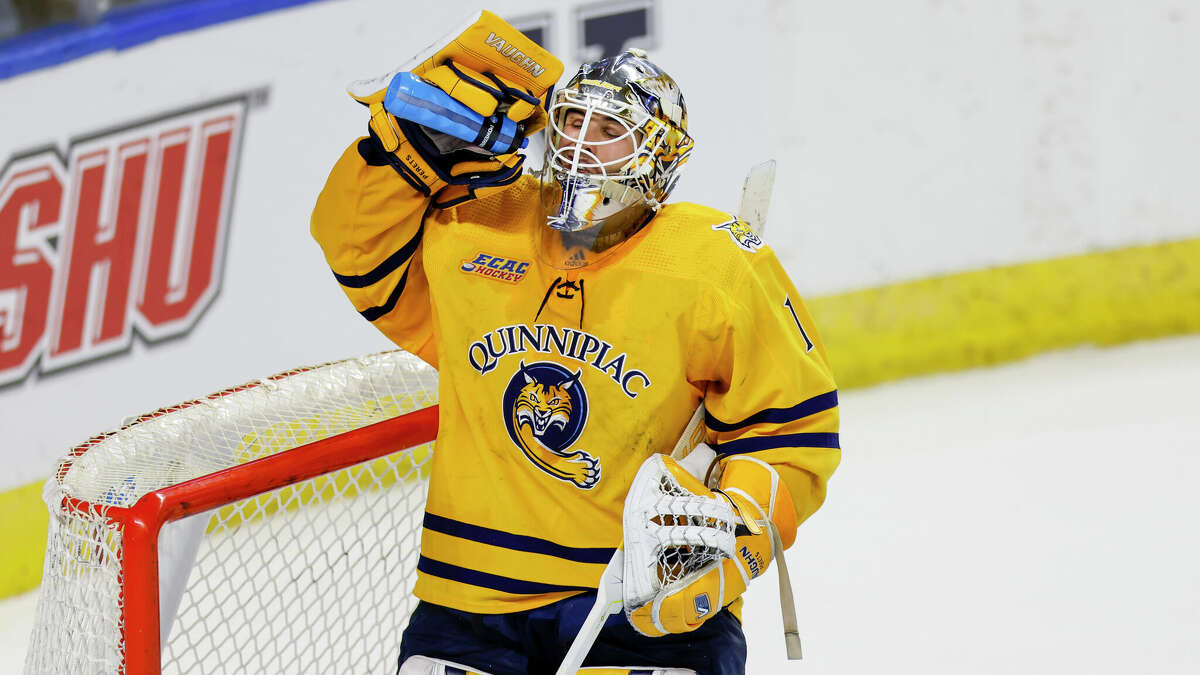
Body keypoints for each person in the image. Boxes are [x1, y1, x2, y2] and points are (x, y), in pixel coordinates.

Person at [311, 11, 840, 675]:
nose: (581, 144)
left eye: (611, 129)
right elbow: (360, 257)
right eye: (572, 122)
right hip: (470, 603)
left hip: (644, 607)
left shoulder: (716, 264)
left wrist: (737, 526)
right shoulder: (480, 220)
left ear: (662, 154)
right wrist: (400, 158)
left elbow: (794, 432)